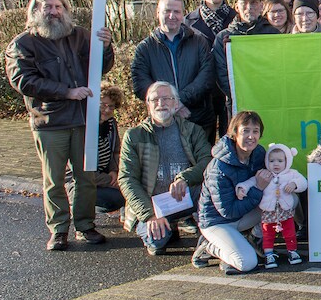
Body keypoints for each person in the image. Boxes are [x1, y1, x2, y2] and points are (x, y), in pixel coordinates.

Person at [5, 0, 114, 250]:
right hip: (49, 122)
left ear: (66, 9)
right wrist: (66, 92)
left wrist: (107, 47)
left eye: (58, 7)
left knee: (86, 176)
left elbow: (100, 67)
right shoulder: (22, 44)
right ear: (36, 10)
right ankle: (59, 229)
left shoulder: (80, 36)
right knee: (54, 179)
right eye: (48, 7)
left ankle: (86, 225)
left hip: (83, 119)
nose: (54, 12)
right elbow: (23, 81)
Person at [118, 82, 212, 255]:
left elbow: (207, 160)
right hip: (152, 205)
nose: (161, 103)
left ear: (176, 104)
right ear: (148, 105)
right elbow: (126, 179)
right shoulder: (134, 136)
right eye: (155, 99)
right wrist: (149, 215)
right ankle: (165, 227)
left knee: (213, 187)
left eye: (166, 98)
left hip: (185, 197)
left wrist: (185, 178)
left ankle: (209, 231)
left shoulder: (192, 130)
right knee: (157, 243)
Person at [131, 0, 217, 141]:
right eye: (167, 11)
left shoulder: (199, 42)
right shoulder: (145, 48)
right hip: (162, 122)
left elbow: (207, 76)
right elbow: (140, 83)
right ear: (158, 13)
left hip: (198, 119)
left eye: (177, 12)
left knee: (202, 164)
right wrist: (168, 104)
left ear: (183, 14)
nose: (172, 16)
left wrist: (180, 101)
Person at [196, 110, 270, 274]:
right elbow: (228, 211)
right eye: (246, 131)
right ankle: (209, 247)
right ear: (235, 133)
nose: (251, 136)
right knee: (247, 263)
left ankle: (254, 239)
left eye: (255, 131)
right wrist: (258, 188)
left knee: (285, 199)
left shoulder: (258, 154)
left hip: (241, 215)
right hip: (217, 222)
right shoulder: (219, 168)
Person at [237, 144, 306, 268]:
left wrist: (294, 184)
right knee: (268, 235)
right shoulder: (264, 174)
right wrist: (242, 188)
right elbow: (251, 181)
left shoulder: (291, 174)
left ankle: (292, 251)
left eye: (280, 161)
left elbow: (303, 182)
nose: (276, 164)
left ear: (287, 161)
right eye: (272, 160)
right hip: (268, 211)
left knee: (289, 233)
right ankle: (269, 255)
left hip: (285, 211)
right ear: (266, 161)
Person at [185, 0, 235, 140]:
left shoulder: (236, 18)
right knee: (202, 141)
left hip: (229, 88)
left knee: (229, 138)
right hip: (201, 91)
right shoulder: (188, 22)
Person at [213, 0, 280, 101]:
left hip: (270, 98)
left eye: (254, 3)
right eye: (244, 3)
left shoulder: (273, 34)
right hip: (237, 100)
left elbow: (280, 67)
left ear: (261, 6)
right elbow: (221, 74)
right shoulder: (224, 37)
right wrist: (238, 95)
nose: (249, 8)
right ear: (236, 7)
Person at [78, 84, 126, 213]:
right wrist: (110, 180)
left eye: (111, 106)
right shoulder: (83, 126)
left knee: (130, 187)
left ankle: (129, 217)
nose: (107, 110)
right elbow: (81, 171)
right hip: (82, 182)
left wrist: (114, 171)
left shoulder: (111, 124)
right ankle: (80, 210)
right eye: (103, 105)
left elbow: (116, 151)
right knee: (120, 195)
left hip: (106, 177)